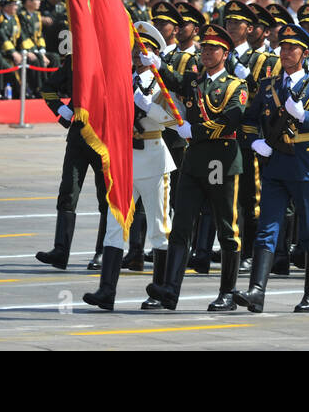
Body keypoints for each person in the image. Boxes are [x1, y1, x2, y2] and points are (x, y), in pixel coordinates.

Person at [236, 23, 309, 313]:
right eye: (282, 47)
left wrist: (305, 115)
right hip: (274, 164)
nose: (285, 52)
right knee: (267, 228)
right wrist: (254, 141)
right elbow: (249, 119)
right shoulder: (269, 86)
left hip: (304, 166)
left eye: (292, 48)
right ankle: (257, 291)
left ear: (304, 53)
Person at [144, 24, 247, 311]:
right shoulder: (194, 81)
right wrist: (157, 65)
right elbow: (175, 81)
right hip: (194, 161)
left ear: (225, 54)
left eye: (213, 48)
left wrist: (196, 130)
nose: (206, 52)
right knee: (181, 226)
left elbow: (230, 120)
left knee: (226, 227)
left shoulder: (235, 86)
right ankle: (170, 289)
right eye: (203, 47)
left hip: (220, 160)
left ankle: (228, 292)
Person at [84, 23, 178, 311]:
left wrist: (148, 107)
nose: (138, 56)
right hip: (124, 160)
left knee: (159, 228)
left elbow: (176, 120)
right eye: (136, 50)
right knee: (115, 225)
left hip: (153, 157)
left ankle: (158, 292)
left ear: (155, 54)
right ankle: (106, 291)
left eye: (144, 51)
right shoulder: (122, 79)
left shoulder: (162, 82)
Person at [36, 51, 110, 272]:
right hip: (78, 135)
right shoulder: (75, 60)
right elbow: (48, 88)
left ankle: (103, 251)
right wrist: (61, 109)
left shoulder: (114, 57)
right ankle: (61, 250)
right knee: (68, 191)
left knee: (106, 196)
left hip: (104, 137)